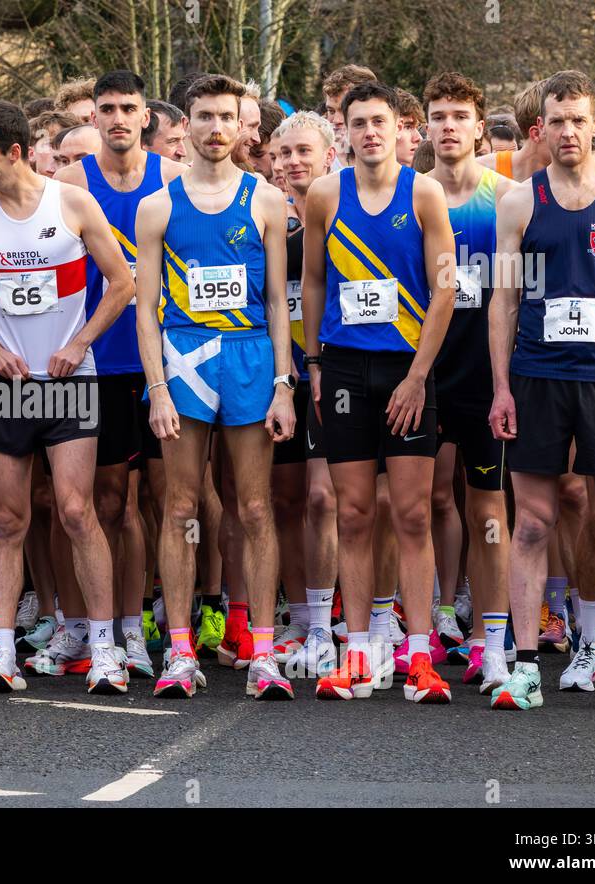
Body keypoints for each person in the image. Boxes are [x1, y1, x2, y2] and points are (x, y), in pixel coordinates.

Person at [487, 70, 595, 712]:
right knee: (531, 524)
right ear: (543, 126)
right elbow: (503, 300)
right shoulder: (518, 201)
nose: (568, 131)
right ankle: (528, 668)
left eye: (579, 120)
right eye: (557, 120)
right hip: (536, 379)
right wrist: (501, 387)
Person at [0, 100, 134, 694]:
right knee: (7, 519)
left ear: (16, 151)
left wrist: (79, 342)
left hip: (70, 380)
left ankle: (105, 650)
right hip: (8, 385)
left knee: (77, 512)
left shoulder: (71, 202)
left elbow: (123, 281)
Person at [135, 73, 295, 699]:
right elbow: (145, 309)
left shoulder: (265, 199)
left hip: (251, 357)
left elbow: (279, 303)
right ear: (186, 127)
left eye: (227, 117)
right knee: (181, 507)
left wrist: (283, 384)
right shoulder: (159, 205)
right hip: (183, 359)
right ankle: (180, 653)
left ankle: (262, 653)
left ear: (241, 124)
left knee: (254, 507)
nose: (215, 129)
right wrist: (157, 388)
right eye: (203, 117)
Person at [301, 80, 457, 704]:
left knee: (413, 513)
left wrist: (418, 377)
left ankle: (419, 656)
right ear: (343, 131)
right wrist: (312, 364)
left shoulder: (424, 193)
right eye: (357, 122)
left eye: (379, 122)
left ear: (400, 130)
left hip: (407, 369)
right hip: (342, 370)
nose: (369, 132)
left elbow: (445, 289)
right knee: (355, 513)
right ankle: (360, 654)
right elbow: (313, 282)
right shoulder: (322, 194)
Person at [51, 70, 189, 682]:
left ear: (146, 118)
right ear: (94, 118)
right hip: (98, 362)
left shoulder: (172, 180)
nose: (116, 118)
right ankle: (98, 627)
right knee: (104, 502)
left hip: (164, 361)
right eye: (105, 108)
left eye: (127, 107)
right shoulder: (71, 184)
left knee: (166, 500)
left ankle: (146, 624)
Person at [422, 72, 516, 692]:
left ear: (479, 126)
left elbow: (513, 295)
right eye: (438, 116)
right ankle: (421, 628)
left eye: (460, 115)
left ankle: (490, 637)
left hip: (484, 373)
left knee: (488, 509)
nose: (449, 126)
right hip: (422, 373)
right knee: (421, 500)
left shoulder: (507, 197)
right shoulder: (411, 195)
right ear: (424, 127)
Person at [268, 111, 341, 679]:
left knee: (324, 499)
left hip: (331, 376)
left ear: (328, 156)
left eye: (303, 152)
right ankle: (298, 619)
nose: (293, 162)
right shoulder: (264, 218)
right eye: (283, 153)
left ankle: (325, 621)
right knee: (286, 502)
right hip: (275, 379)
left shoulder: (342, 214)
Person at [478, 81, 549, 182]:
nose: (569, 133)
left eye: (578, 121)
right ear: (536, 132)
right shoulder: (480, 172)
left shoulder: (572, 178)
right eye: (557, 122)